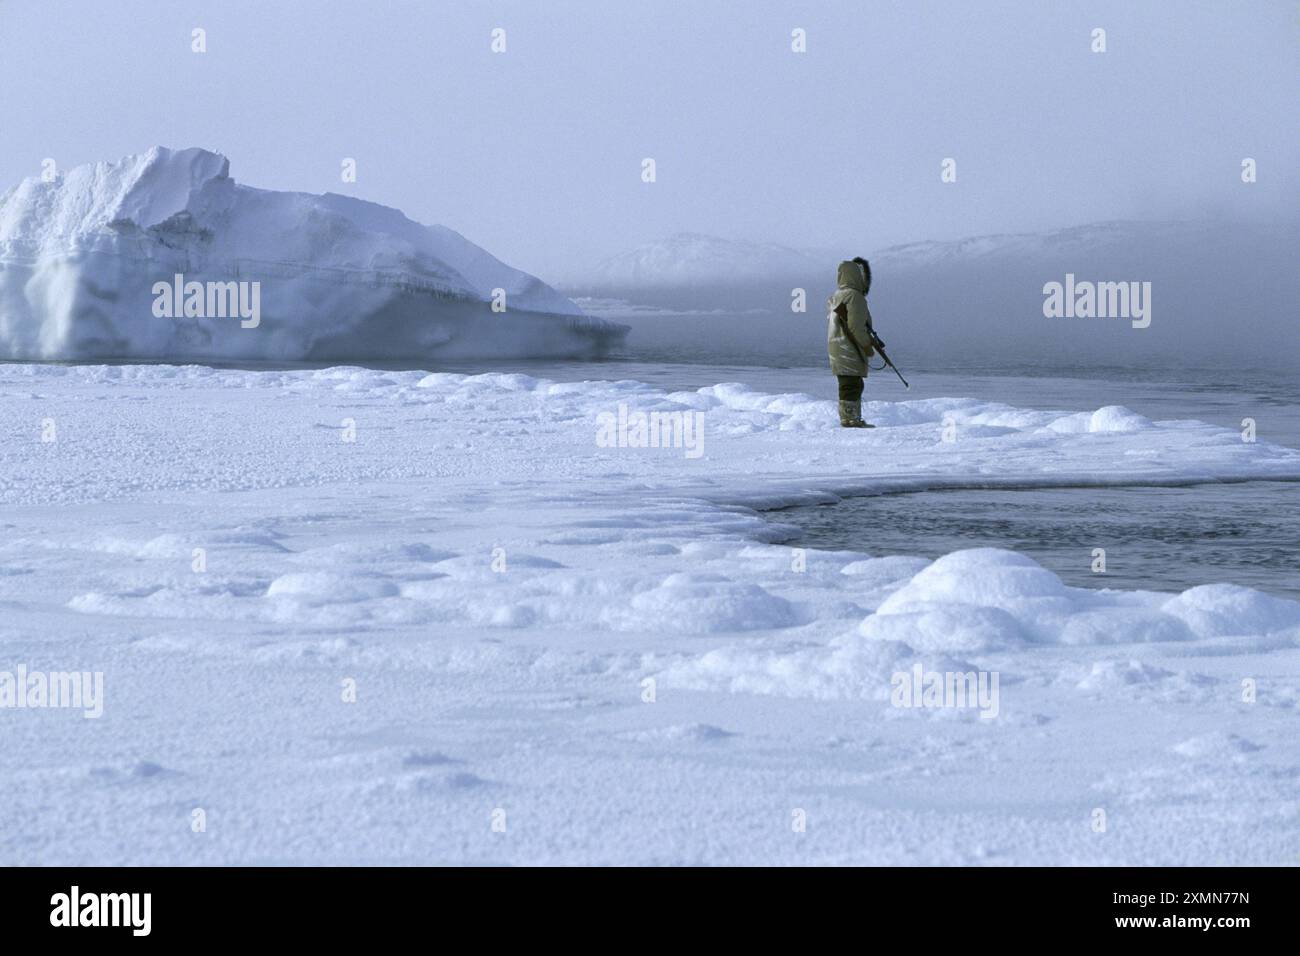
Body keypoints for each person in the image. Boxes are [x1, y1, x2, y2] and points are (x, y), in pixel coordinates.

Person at [826, 258, 876, 428]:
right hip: (849, 348)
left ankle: (849, 418)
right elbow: (856, 327)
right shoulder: (855, 296)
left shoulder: (836, 296)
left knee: (847, 384)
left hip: (836, 347)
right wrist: (867, 346)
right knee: (852, 384)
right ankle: (851, 420)